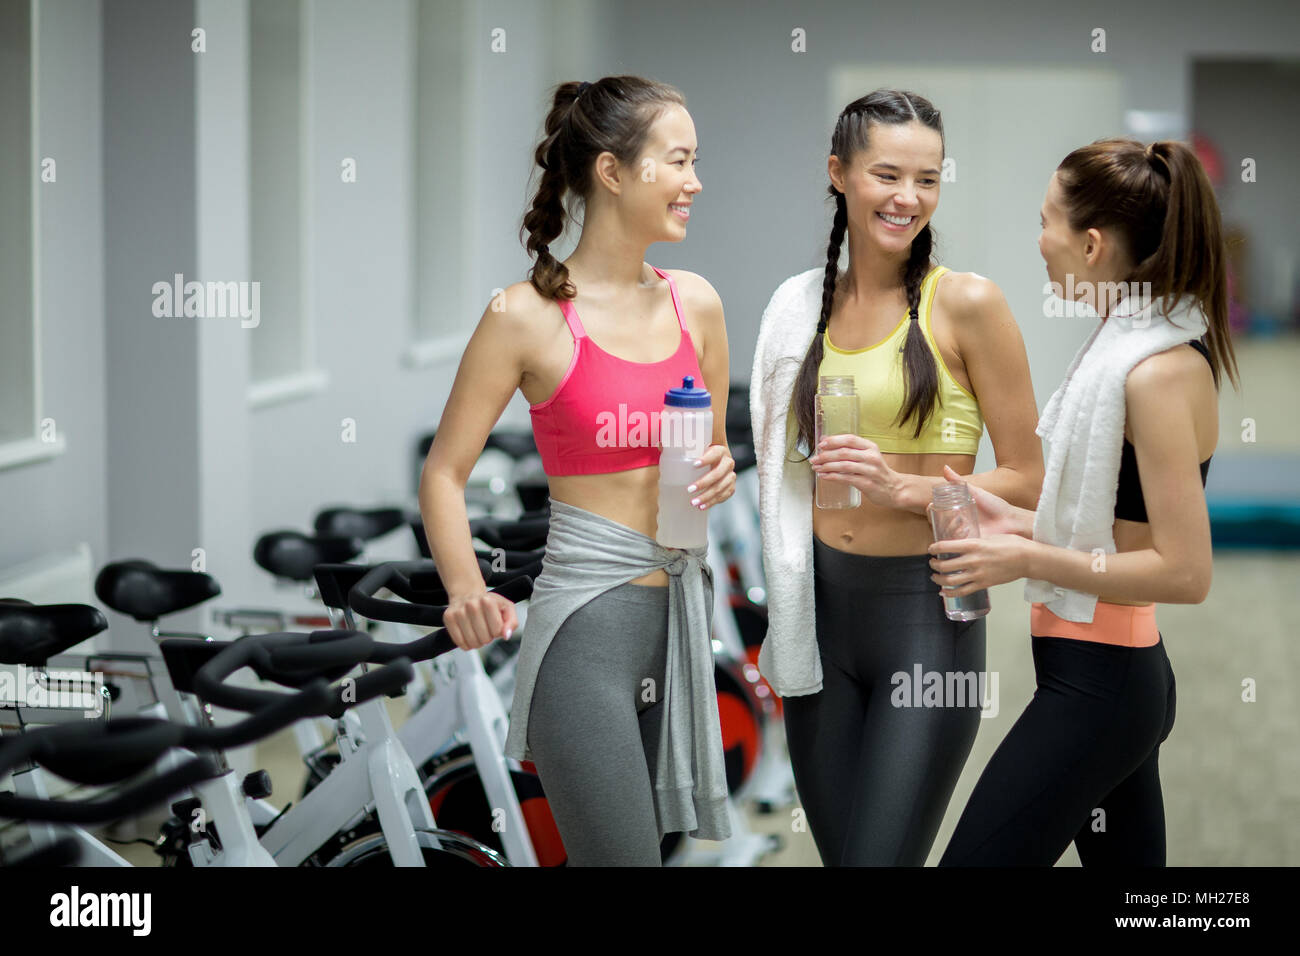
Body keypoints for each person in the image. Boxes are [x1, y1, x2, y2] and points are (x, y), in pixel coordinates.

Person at [417, 76, 736, 866]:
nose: (696, 181)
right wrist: (465, 589)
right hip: (584, 637)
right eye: (679, 161)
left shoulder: (697, 304)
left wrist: (720, 471)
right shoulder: (524, 314)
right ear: (613, 171)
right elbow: (445, 473)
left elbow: (711, 453)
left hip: (681, 624)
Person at [750, 89, 1044, 865]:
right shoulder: (801, 309)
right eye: (886, 175)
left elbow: (1028, 478)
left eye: (928, 179)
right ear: (839, 173)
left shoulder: (969, 304)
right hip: (817, 612)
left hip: (927, 616)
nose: (907, 198)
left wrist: (907, 491)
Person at [934, 138, 1241, 866]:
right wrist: (1023, 522)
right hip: (1101, 679)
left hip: (1102, 691)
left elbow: (1184, 572)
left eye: (1046, 221)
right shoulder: (1125, 342)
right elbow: (1121, 530)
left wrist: (1027, 557)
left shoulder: (1155, 373)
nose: (1038, 240)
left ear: (1093, 243)